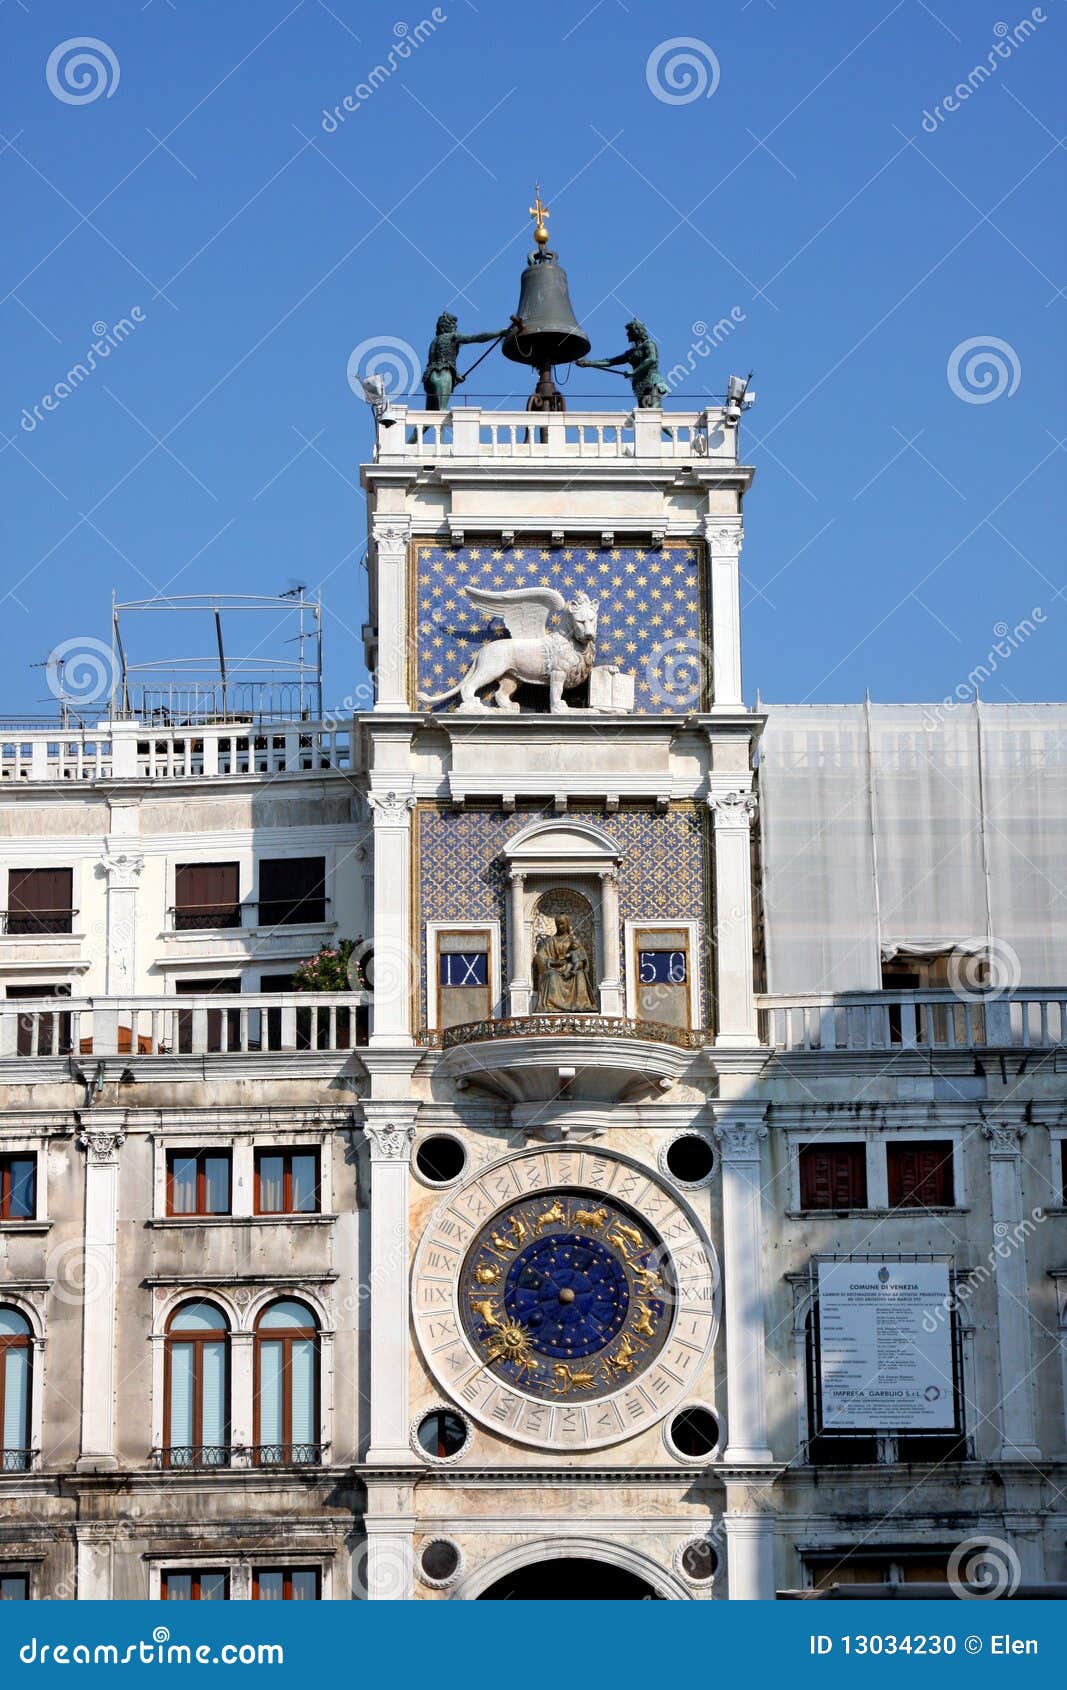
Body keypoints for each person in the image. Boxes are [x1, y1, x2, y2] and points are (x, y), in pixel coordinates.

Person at [531, 915, 596, 1013]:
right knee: (551, 975)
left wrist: (579, 963)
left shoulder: (573, 939)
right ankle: (552, 1005)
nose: (560, 926)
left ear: (567, 924)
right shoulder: (551, 941)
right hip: (556, 969)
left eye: (562, 923)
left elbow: (582, 955)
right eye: (558, 924)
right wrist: (553, 963)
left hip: (571, 968)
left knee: (580, 974)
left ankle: (580, 1004)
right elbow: (540, 957)